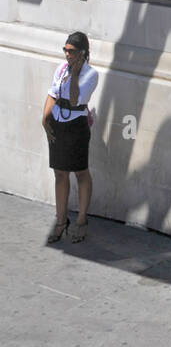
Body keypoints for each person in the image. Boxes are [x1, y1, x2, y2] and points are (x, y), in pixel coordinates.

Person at [42, 31, 99, 244]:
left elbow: (75, 100)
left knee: (80, 172)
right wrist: (45, 118)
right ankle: (60, 220)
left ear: (83, 52)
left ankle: (82, 219)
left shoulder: (90, 74)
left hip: (76, 125)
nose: (67, 55)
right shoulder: (61, 69)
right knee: (60, 173)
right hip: (58, 123)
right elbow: (52, 94)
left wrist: (74, 75)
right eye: (65, 50)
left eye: (72, 51)